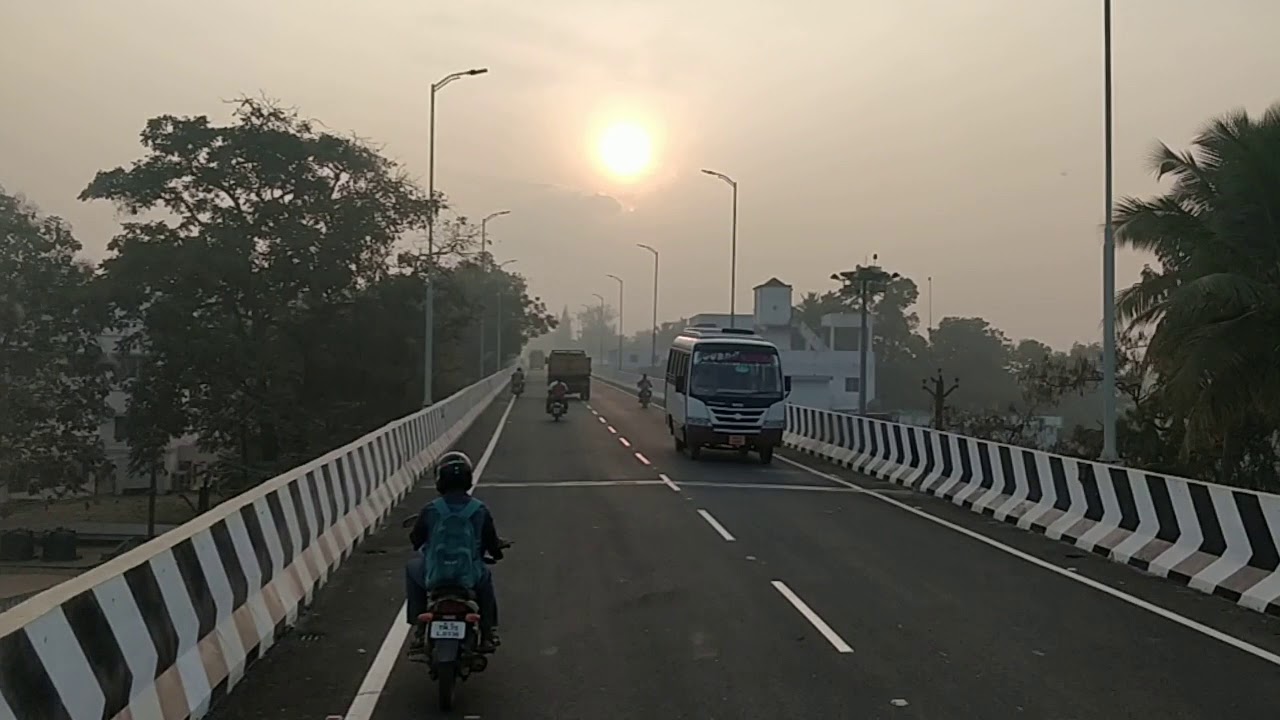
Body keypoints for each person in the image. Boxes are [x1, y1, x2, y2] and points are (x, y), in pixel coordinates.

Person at [404, 451, 504, 656]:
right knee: (486, 581)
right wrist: (496, 552)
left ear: (440, 479)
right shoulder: (479, 509)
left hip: (435, 574)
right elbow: (492, 542)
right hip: (468, 575)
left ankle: (419, 626)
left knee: (411, 569)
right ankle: (488, 632)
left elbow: (416, 540)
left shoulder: (431, 509)